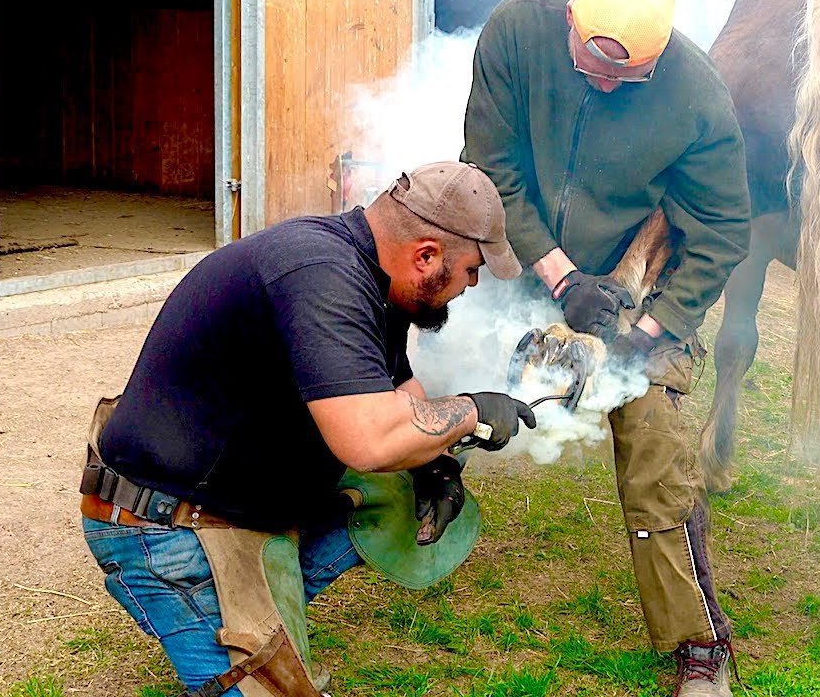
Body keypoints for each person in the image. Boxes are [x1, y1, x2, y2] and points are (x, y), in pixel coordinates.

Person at [78, 161, 538, 696]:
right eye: (472, 268)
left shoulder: (371, 274)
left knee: (410, 470)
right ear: (427, 255)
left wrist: (435, 460)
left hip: (233, 500)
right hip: (172, 527)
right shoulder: (321, 276)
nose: (473, 284)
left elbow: (397, 390)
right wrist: (473, 410)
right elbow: (367, 440)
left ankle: (271, 597)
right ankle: (234, 614)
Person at [461, 0, 752, 695]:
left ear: (657, 63)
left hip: (639, 280)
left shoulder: (699, 95)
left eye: (628, 78)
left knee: (655, 440)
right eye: (594, 68)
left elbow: (722, 232)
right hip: (522, 254)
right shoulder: (516, 30)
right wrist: (562, 279)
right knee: (420, 348)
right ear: (570, 22)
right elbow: (492, 168)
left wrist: (645, 334)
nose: (607, 85)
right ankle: (376, 518)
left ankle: (698, 645)